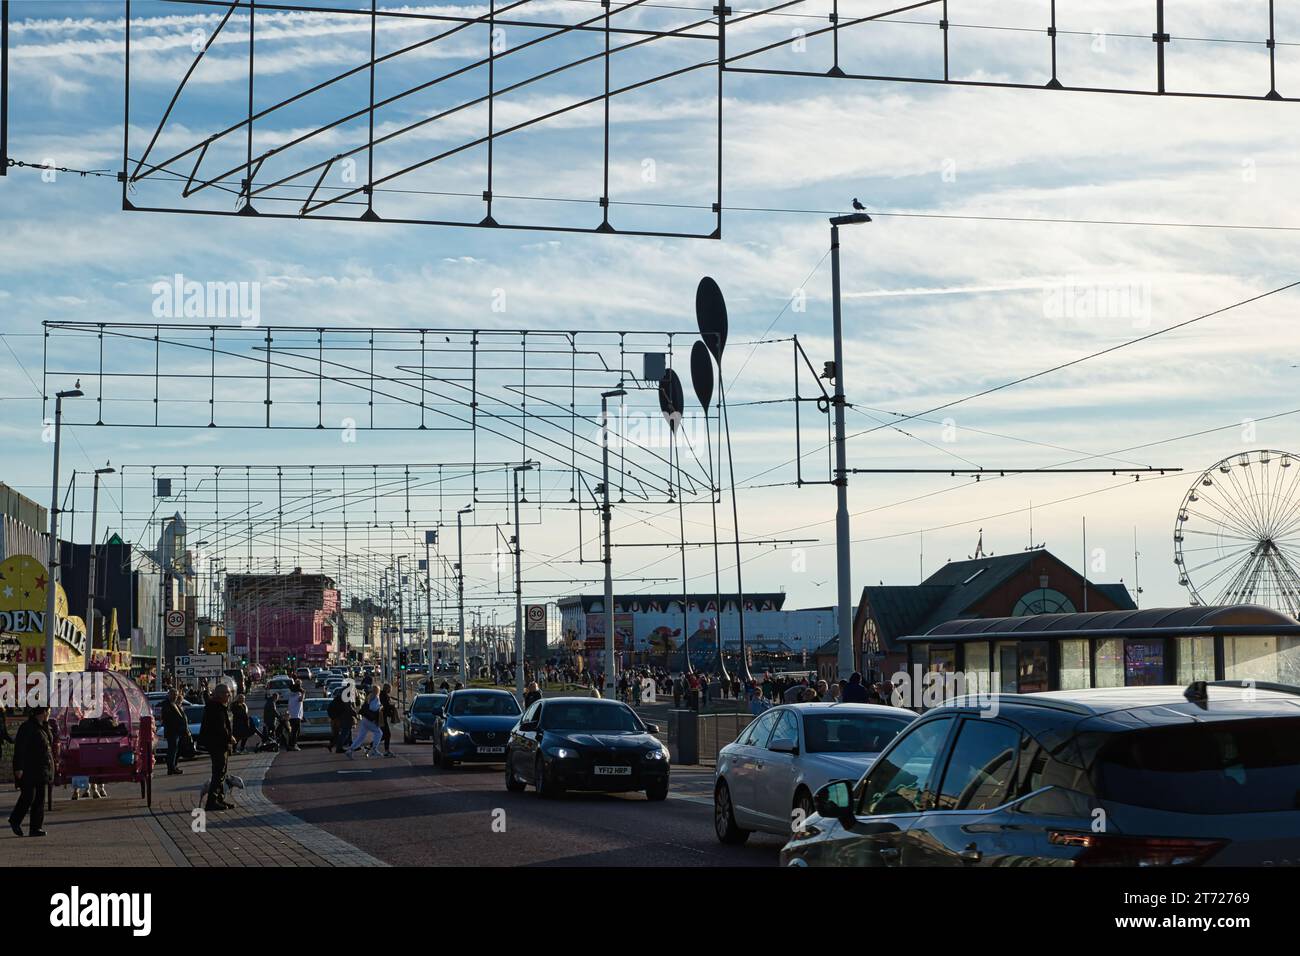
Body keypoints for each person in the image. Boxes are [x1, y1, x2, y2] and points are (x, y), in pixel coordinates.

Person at [9, 706, 54, 837]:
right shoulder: (27, 727)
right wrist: (18, 768)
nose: (49, 714)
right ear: (43, 712)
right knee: (28, 796)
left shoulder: (43, 726)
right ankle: (15, 820)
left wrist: (46, 724)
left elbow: (50, 741)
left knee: (40, 799)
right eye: (48, 712)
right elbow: (19, 749)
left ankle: (35, 828)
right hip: (29, 769)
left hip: (42, 769)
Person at [199, 683, 235, 811]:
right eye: (226, 693)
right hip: (217, 744)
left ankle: (219, 798)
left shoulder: (218, 706)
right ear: (219, 695)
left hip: (219, 744)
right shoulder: (216, 708)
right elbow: (220, 728)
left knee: (222, 772)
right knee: (218, 773)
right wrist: (229, 738)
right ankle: (212, 801)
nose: (229, 695)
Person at [347, 687, 384, 758]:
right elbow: (373, 708)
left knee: (361, 737)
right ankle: (374, 749)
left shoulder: (369, 696)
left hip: (365, 719)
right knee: (379, 733)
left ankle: (350, 750)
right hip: (370, 720)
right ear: (378, 691)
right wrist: (380, 707)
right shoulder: (376, 697)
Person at [160, 689, 187, 775]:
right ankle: (171, 768)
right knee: (172, 750)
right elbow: (168, 719)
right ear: (169, 694)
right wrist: (177, 726)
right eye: (173, 694)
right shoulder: (167, 705)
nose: (175, 696)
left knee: (175, 750)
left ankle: (174, 766)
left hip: (177, 732)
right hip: (172, 731)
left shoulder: (175, 704)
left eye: (176, 694)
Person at [328, 687, 356, 753]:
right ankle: (339, 748)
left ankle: (351, 745)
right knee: (345, 732)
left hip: (338, 717)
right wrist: (355, 713)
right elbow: (348, 708)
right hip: (342, 717)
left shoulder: (339, 698)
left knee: (345, 732)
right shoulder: (345, 698)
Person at [378, 684, 397, 758]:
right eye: (390, 688)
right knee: (387, 734)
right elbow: (385, 706)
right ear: (388, 689)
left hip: (382, 717)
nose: (391, 690)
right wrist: (392, 707)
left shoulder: (382, 695)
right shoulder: (384, 696)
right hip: (382, 717)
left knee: (383, 735)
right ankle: (386, 751)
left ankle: (370, 746)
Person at [286, 682, 305, 751]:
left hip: (292, 716)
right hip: (296, 716)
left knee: (293, 732)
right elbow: (301, 699)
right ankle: (293, 745)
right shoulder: (298, 695)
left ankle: (291, 745)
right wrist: (303, 693)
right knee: (296, 732)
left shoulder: (291, 696)